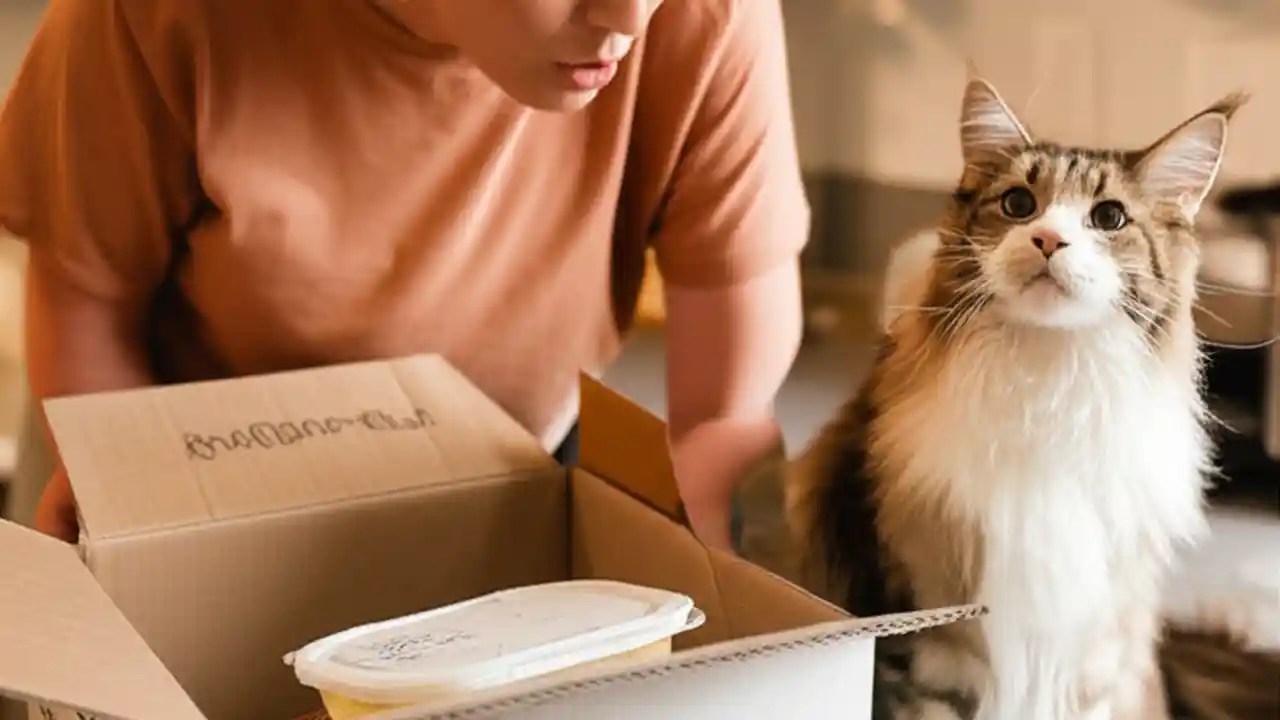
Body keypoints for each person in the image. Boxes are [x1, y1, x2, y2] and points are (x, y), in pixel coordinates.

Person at [0, 0, 809, 551]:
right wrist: (133, 512)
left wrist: (727, 556)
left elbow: (724, 411)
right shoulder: (147, 16)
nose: (629, 17)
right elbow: (89, 301)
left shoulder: (702, 14)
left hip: (512, 464)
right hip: (174, 468)